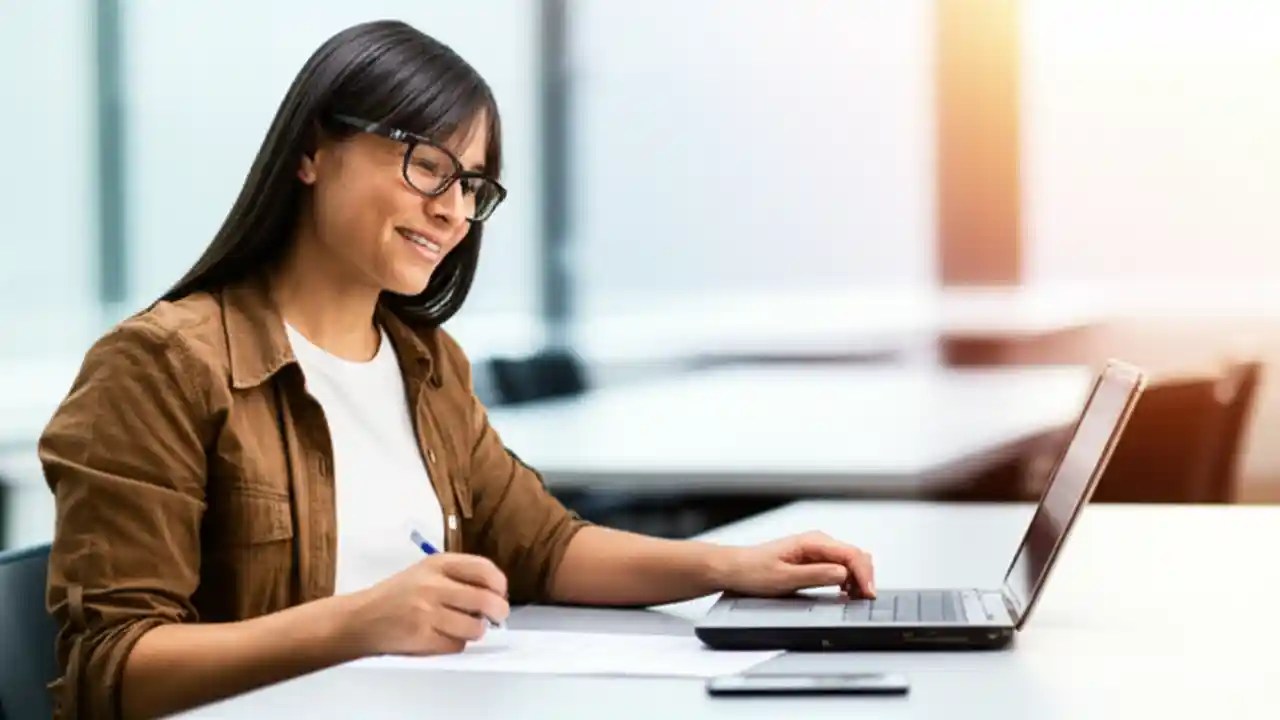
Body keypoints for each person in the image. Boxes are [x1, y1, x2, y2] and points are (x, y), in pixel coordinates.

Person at [40, 20, 875, 720]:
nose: (451, 210)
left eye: (472, 185)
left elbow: (544, 548)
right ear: (311, 152)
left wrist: (728, 567)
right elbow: (111, 670)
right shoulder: (162, 365)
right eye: (426, 165)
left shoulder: (426, 363)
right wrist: (359, 623)